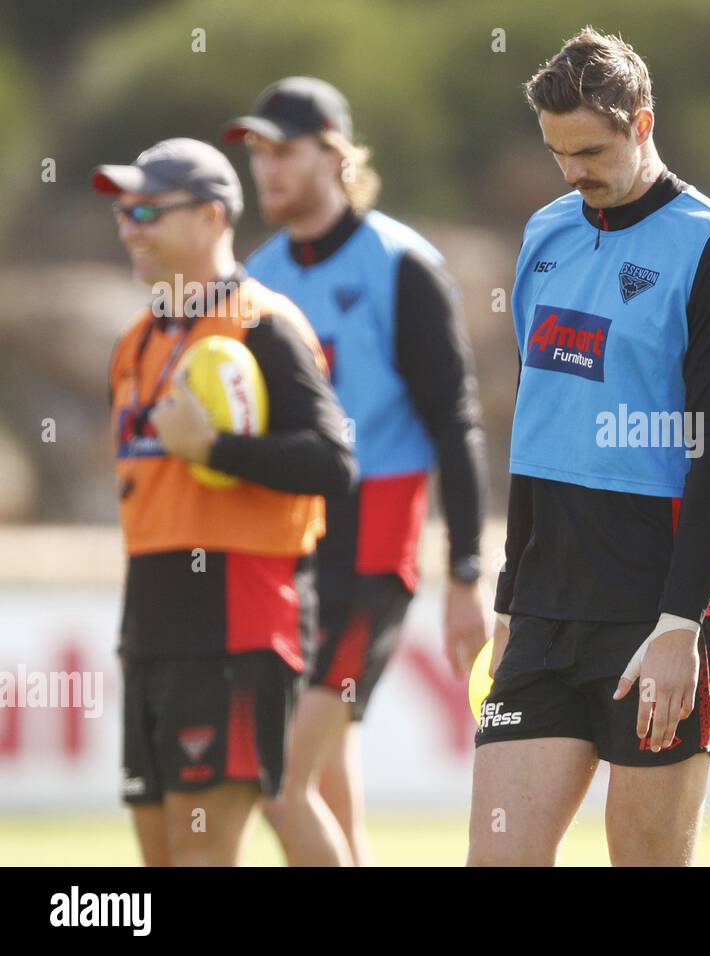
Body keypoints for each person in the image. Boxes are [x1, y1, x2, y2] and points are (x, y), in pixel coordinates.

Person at [468, 28, 710, 866]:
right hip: (545, 606)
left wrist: (683, 626)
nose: (573, 171)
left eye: (592, 150)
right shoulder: (545, 234)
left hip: (660, 607)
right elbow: (540, 425)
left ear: (644, 124)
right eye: (557, 152)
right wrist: (508, 603)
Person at [222, 76, 489, 866]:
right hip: (288, 558)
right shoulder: (255, 279)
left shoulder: (401, 265)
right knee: (326, 787)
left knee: (277, 783)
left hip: (371, 560)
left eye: (284, 151)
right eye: (255, 153)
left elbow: (456, 420)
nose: (264, 170)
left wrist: (467, 570)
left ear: (336, 156)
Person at [95, 138, 355, 865]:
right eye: (123, 211)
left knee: (201, 853)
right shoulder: (136, 341)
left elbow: (334, 461)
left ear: (212, 217)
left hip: (236, 618)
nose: (129, 226)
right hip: (154, 622)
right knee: (160, 857)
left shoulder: (262, 325)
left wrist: (216, 451)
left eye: (147, 209)